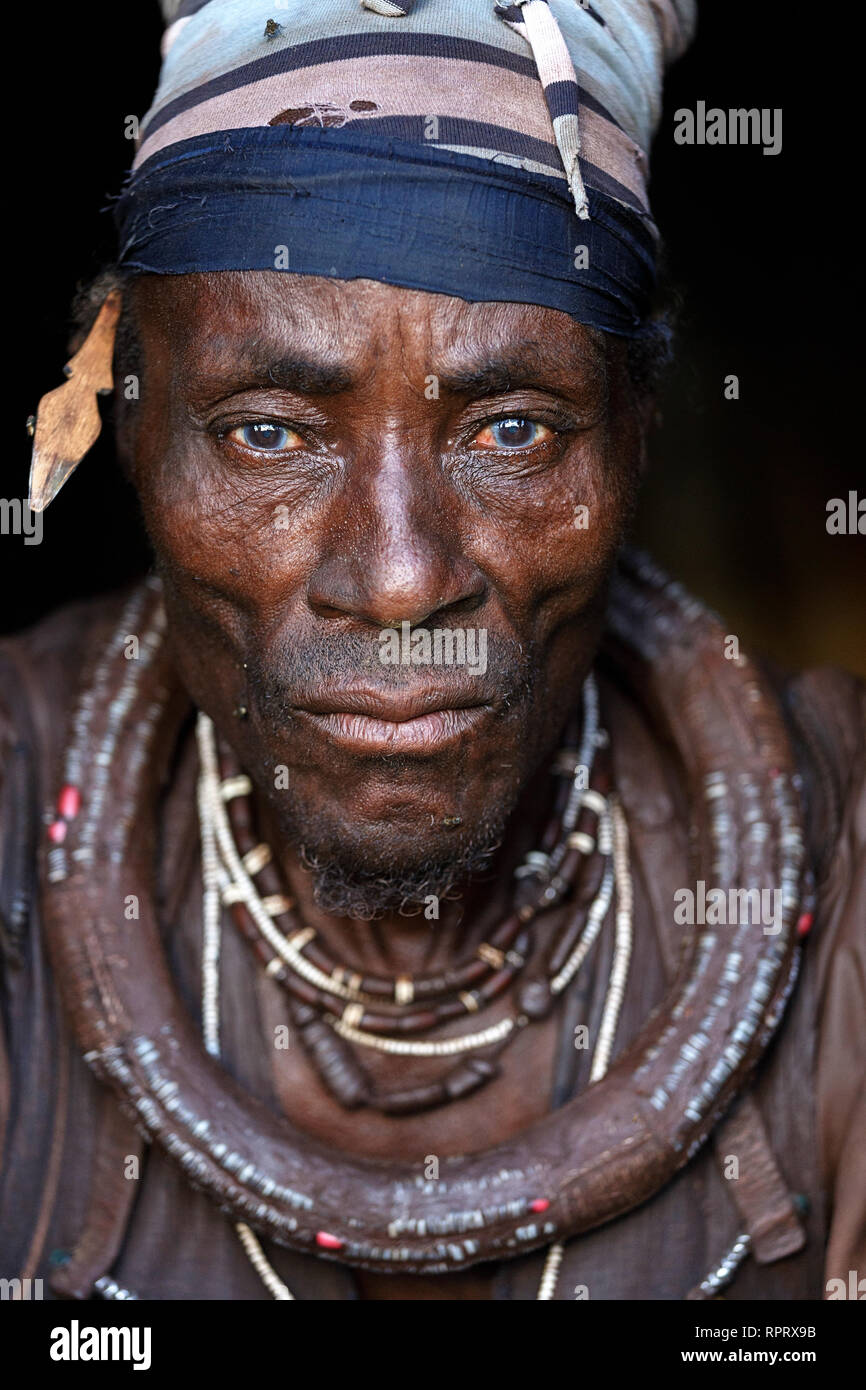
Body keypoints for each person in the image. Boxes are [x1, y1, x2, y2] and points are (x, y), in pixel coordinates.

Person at [1, 0, 863, 1302]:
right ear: (130, 437)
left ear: (636, 437)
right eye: (269, 432)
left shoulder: (842, 843)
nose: (400, 574)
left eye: (511, 429)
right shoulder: (14, 787)